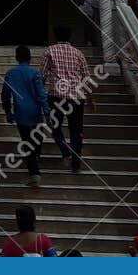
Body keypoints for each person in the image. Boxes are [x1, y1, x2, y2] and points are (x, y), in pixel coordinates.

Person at [41, 24, 91, 174]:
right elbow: (86, 77)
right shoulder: (78, 53)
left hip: (55, 96)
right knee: (76, 131)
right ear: (70, 37)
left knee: (55, 127)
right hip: (76, 97)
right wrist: (91, 98)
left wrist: (39, 95)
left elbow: (41, 75)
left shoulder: (49, 51)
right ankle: (76, 165)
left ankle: (65, 151)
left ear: (56, 36)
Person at [1, 44, 51, 186]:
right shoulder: (35, 74)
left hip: (21, 113)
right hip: (35, 112)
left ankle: (35, 174)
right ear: (30, 58)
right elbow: (41, 95)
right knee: (37, 139)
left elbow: (5, 95)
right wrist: (47, 112)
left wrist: (8, 112)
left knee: (27, 143)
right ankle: (37, 159)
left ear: (17, 58)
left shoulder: (11, 73)